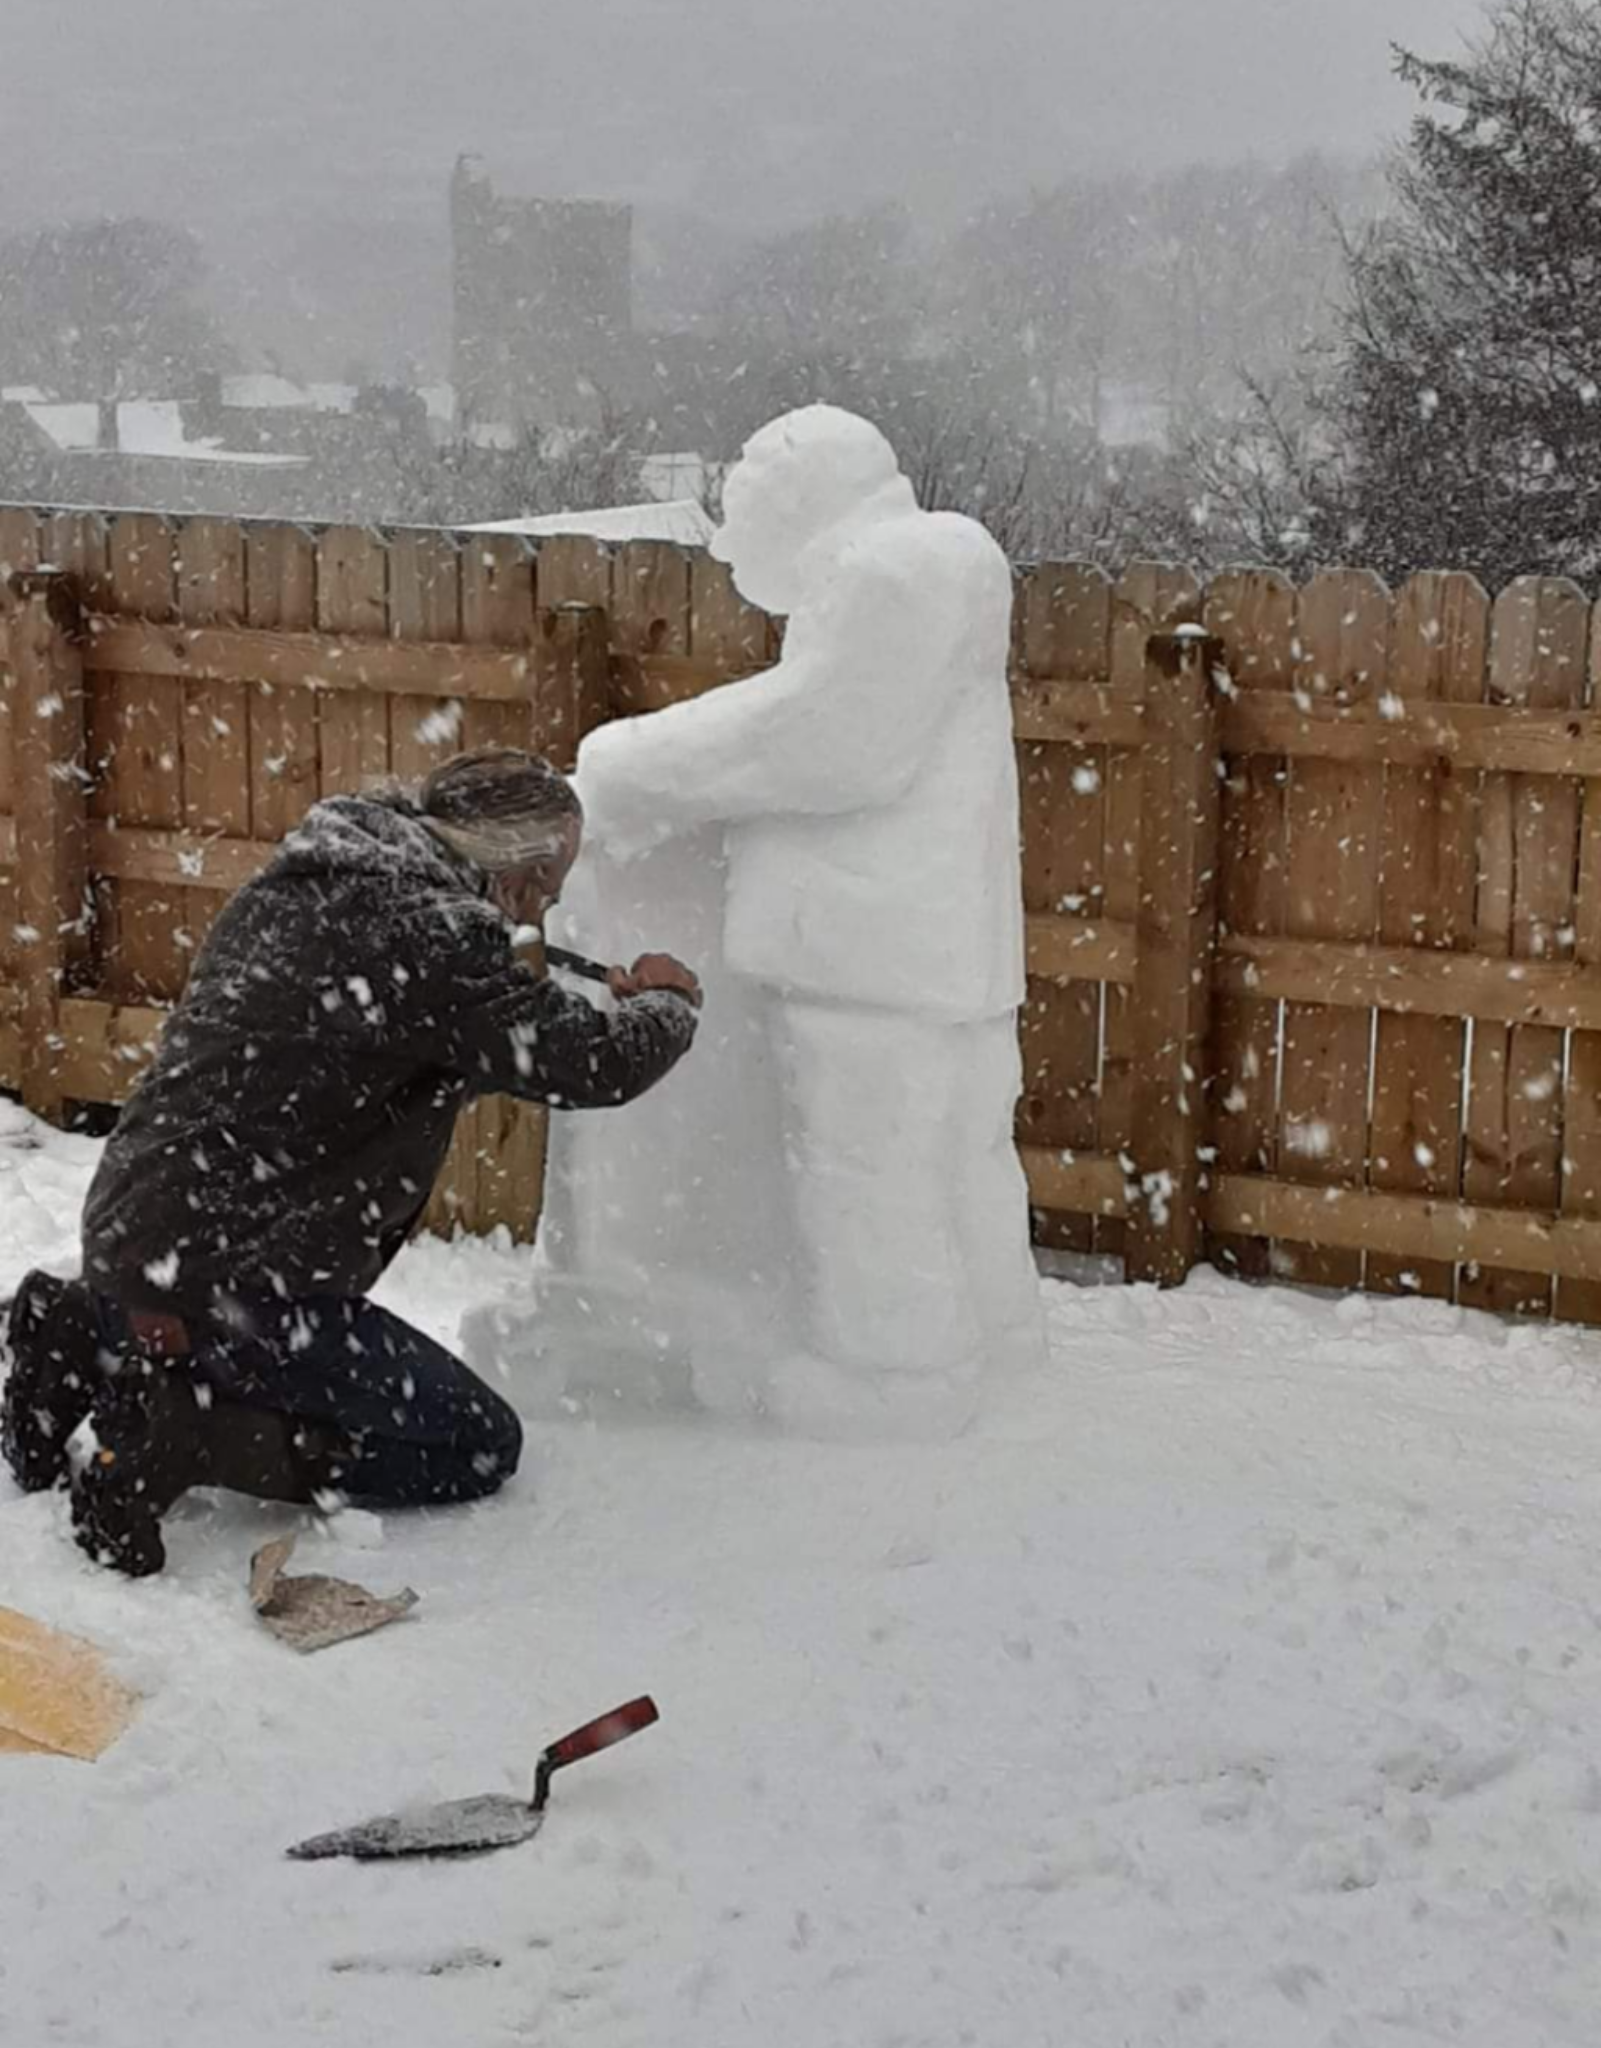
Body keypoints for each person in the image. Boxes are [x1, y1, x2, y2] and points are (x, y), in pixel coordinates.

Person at [0, 748, 700, 1575]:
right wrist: (669, 1003)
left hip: (137, 1233)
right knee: (472, 1444)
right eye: (547, 883)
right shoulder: (436, 936)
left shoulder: (316, 874)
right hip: (239, 1281)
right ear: (514, 863)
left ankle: (87, 1329)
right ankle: (195, 1438)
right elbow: (593, 1063)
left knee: (226, 1322)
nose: (543, 906)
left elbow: (400, 1040)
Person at [535, 404, 1042, 1440]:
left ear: (795, 497)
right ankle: (994, 1332)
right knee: (957, 1156)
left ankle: (894, 1372)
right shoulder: (947, 561)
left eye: (741, 519)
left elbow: (818, 738)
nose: (728, 555)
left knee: (867, 1169)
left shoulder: (888, 570)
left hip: (868, 955)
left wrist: (626, 764)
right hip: (941, 950)